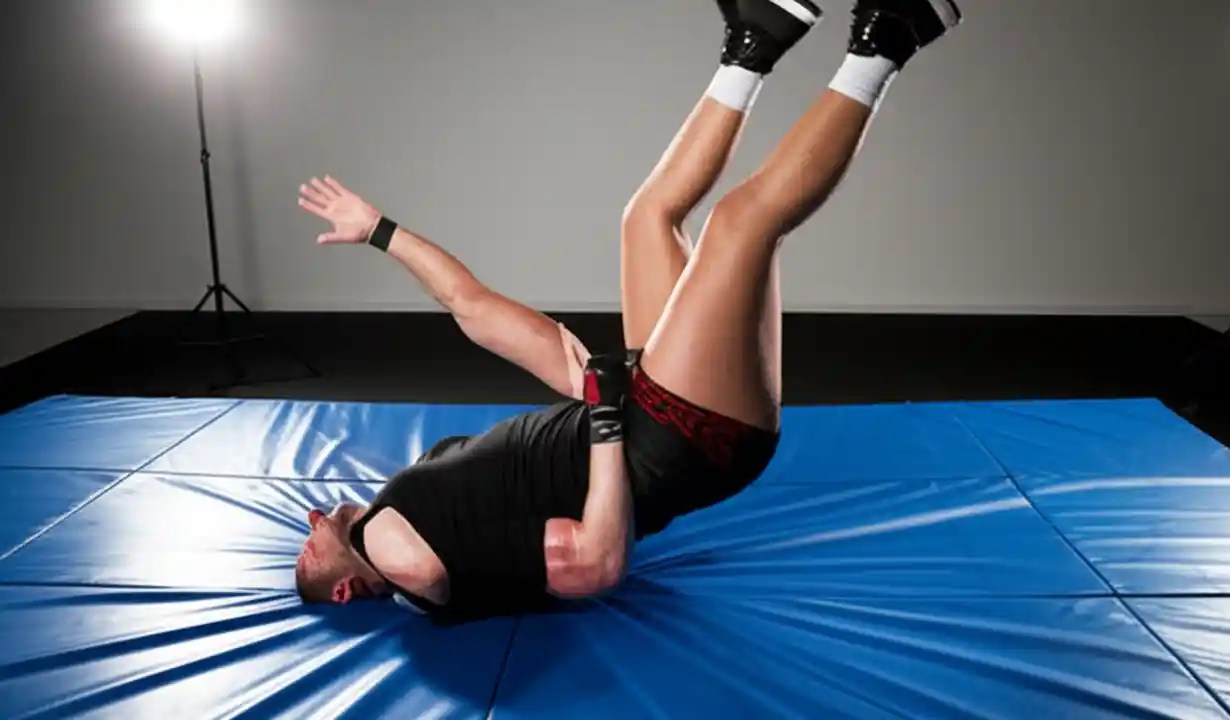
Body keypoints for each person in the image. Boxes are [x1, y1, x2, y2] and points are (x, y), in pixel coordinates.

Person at [294, 0, 961, 621]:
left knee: (647, 220)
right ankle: (891, 35)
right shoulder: (400, 555)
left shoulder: (397, 511)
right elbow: (594, 565)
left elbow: (467, 303)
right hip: (675, 440)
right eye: (307, 556)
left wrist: (379, 230)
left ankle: (755, 41)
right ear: (349, 588)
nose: (309, 530)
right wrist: (609, 426)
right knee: (739, 227)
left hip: (631, 407)